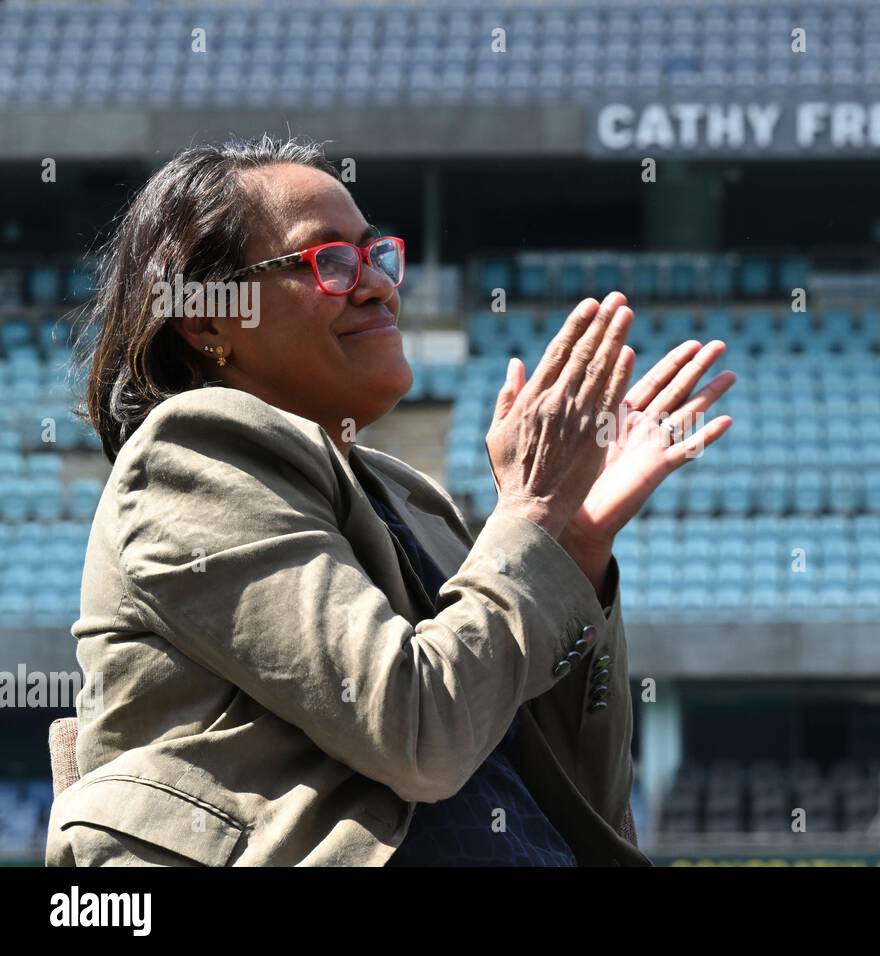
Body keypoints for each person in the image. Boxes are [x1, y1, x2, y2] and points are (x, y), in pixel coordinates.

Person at [45, 135, 734, 866]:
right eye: (328, 263)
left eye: (376, 255)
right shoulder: (193, 452)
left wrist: (577, 545)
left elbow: (583, 800)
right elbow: (421, 735)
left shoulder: (412, 499)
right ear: (210, 319)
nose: (376, 284)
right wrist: (530, 513)